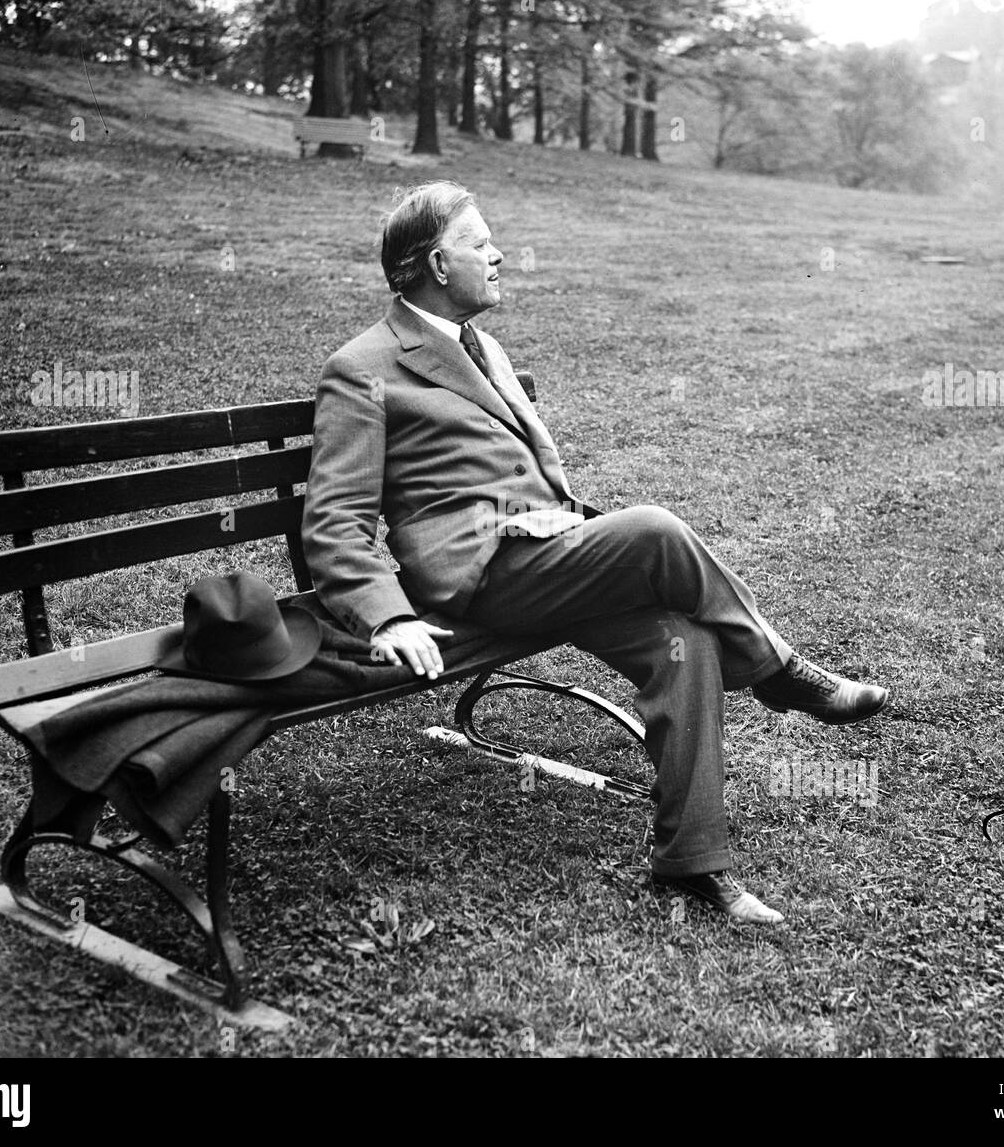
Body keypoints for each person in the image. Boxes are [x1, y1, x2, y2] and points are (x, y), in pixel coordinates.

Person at [302, 180, 888, 925]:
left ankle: (693, 862)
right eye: (480, 243)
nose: (499, 253)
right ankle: (782, 674)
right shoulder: (365, 367)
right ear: (437, 264)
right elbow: (335, 521)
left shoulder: (483, 347)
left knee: (686, 641)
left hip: (544, 549)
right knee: (652, 529)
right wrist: (386, 618)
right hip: (481, 577)